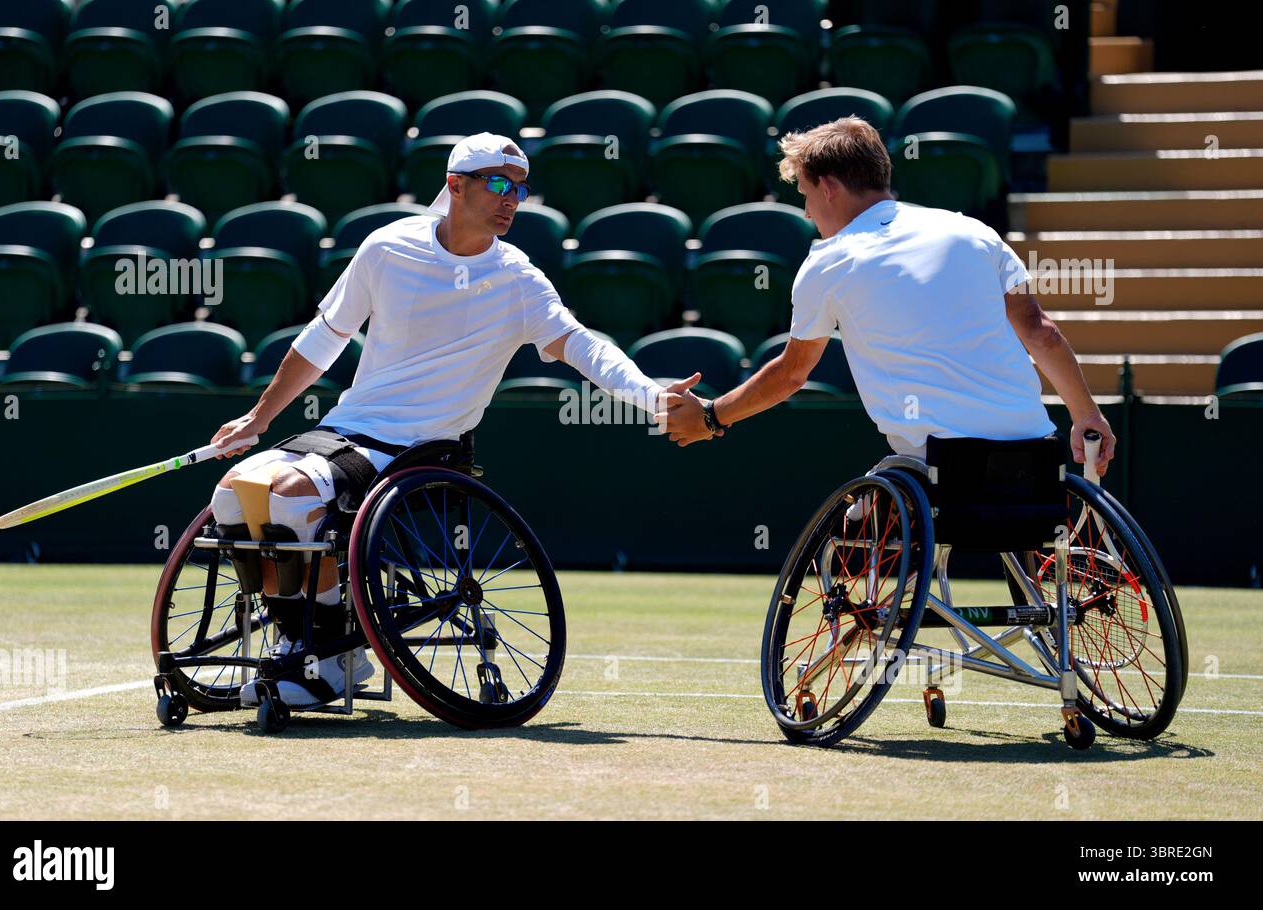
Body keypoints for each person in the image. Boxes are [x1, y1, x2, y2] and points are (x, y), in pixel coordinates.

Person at [208, 133, 698, 707]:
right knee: (232, 496)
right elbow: (324, 337)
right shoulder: (387, 248)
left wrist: (650, 395)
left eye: (519, 188)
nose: (510, 198)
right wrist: (257, 418)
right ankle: (303, 638)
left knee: (290, 495)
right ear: (455, 185)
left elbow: (584, 347)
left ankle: (330, 659)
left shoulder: (519, 280)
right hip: (348, 426)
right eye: (496, 184)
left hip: (424, 447)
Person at [662, 116, 1116, 477]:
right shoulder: (975, 232)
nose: (805, 211)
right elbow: (1041, 334)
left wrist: (711, 416)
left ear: (828, 187)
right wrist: (1086, 415)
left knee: (856, 532)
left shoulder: (828, 262)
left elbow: (791, 376)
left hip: (936, 470)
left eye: (804, 194)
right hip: (1034, 453)